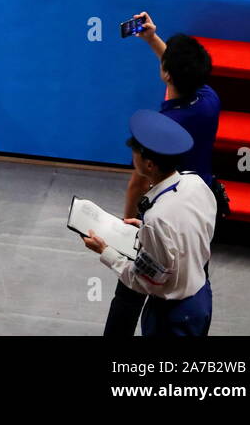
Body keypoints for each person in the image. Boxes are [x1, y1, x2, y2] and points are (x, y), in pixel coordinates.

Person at [104, 14, 222, 337]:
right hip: (198, 208)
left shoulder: (166, 124)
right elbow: (181, 74)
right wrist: (153, 40)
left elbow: (139, 180)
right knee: (193, 274)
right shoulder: (210, 100)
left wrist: (122, 233)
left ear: (167, 73)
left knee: (134, 286)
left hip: (166, 207)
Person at [82, 110, 216, 337]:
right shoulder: (196, 184)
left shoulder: (157, 219)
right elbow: (190, 235)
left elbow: (146, 281)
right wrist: (145, 234)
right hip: (201, 297)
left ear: (150, 165)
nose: (132, 155)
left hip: (172, 316)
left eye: (136, 151)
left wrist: (105, 252)